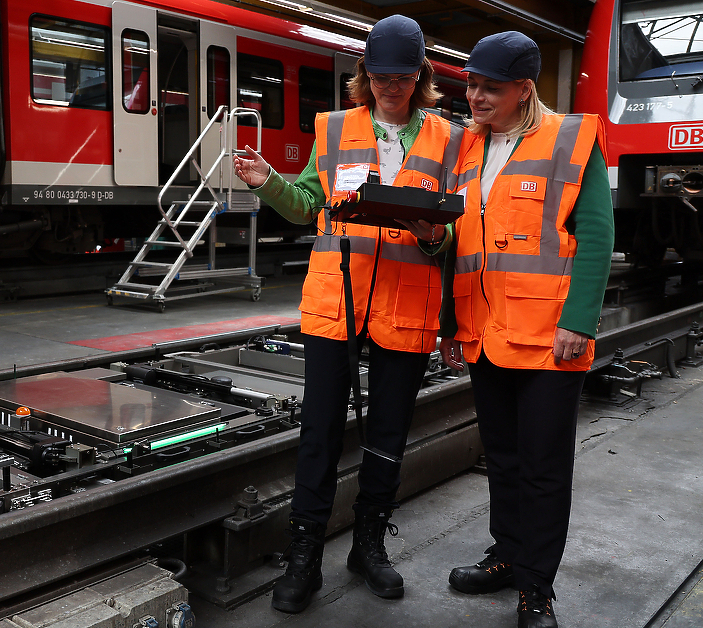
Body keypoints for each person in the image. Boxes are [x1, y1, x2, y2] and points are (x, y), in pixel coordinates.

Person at [233, 14, 463, 612]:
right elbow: (305, 203)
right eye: (381, 77)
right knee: (320, 432)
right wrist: (267, 181)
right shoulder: (333, 128)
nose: (391, 87)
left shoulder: (449, 138)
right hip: (337, 300)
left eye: (402, 77)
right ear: (366, 74)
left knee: (388, 432)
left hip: (406, 304)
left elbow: (456, 232)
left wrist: (433, 235)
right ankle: (304, 555)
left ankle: (368, 546)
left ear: (421, 76)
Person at [438, 32, 614, 628]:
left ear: (525, 89)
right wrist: (452, 324)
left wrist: (579, 320)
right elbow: (460, 241)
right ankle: (508, 555)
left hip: (549, 337)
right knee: (504, 458)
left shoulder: (570, 139)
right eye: (471, 85)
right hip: (486, 331)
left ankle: (536, 587)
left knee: (543, 467)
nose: (476, 97)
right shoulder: (468, 147)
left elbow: (597, 234)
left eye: (491, 88)